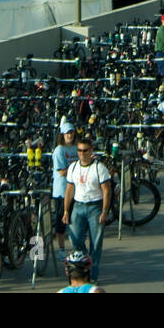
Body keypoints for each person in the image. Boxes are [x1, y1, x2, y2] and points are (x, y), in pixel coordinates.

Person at [63, 135, 112, 282]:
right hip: (78, 206)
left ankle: (93, 275)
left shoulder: (99, 168)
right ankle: (82, 266)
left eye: (85, 151)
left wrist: (104, 211)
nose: (82, 153)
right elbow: (69, 189)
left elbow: (106, 190)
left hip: (95, 207)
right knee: (75, 240)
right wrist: (66, 210)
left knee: (96, 244)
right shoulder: (73, 167)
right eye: (79, 150)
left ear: (91, 151)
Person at [51, 121, 80, 256]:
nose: (70, 135)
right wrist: (77, 168)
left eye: (71, 132)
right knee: (61, 221)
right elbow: (62, 172)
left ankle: (76, 247)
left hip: (76, 189)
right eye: (67, 133)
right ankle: (61, 249)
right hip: (62, 191)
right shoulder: (59, 150)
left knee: (75, 220)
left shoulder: (76, 148)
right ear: (62, 135)